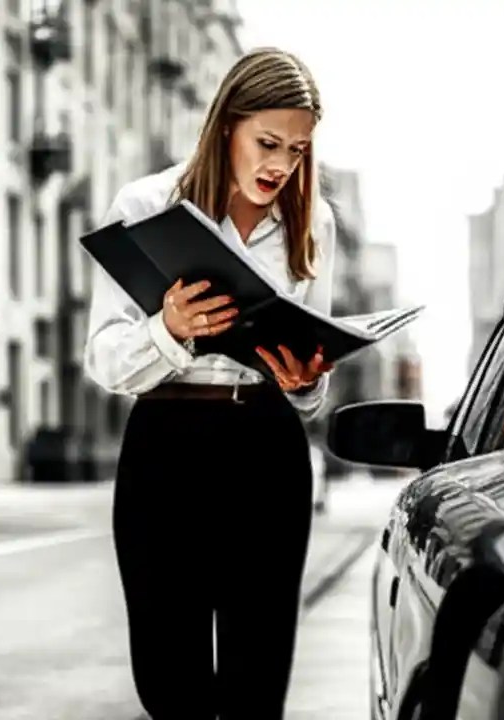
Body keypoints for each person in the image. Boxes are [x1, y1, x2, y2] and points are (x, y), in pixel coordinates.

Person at [81, 47, 336, 720]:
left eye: (299, 150)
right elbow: (104, 359)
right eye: (269, 142)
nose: (282, 164)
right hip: (166, 445)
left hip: (267, 448)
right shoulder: (143, 205)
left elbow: (311, 383)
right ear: (228, 125)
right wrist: (170, 328)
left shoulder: (316, 223)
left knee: (257, 681)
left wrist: (305, 382)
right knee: (170, 682)